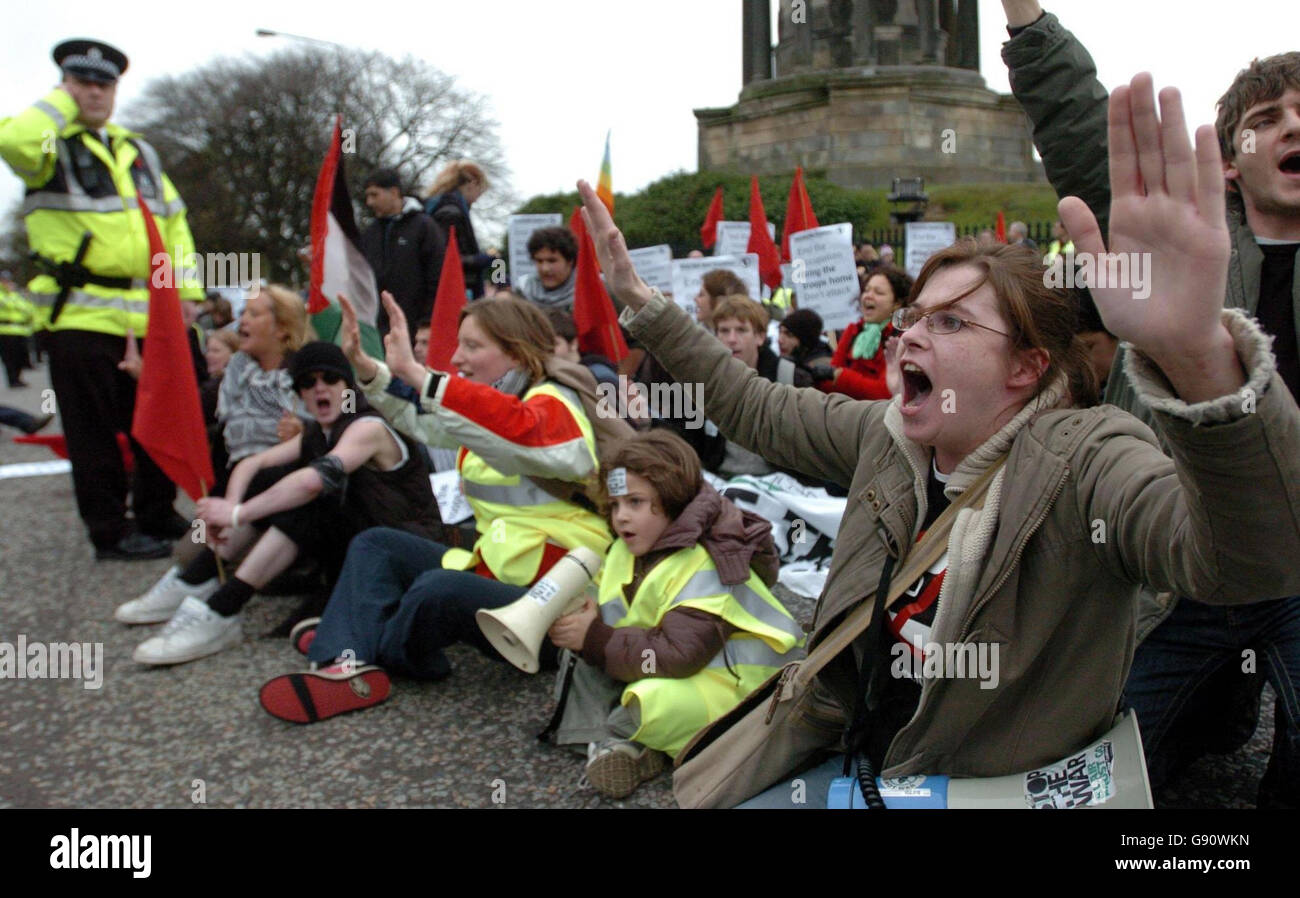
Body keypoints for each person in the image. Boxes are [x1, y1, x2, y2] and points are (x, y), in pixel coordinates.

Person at [571, 60, 1300, 805]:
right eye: (913, 316)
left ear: (1026, 368)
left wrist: (1200, 358)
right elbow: (754, 405)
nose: (909, 334)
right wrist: (641, 303)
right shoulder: (890, 436)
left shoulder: (1090, 457)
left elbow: (1250, 561)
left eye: (950, 321)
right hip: (859, 744)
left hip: (981, 786)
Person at [1001, 0, 1300, 807]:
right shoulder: (1183, 235)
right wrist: (1027, 21)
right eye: (1269, 118)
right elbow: (1081, 134)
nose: (1293, 128)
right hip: (1189, 561)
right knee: (1112, 772)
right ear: (1231, 160)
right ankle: (1221, 708)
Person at [256, 293, 615, 723]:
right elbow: (425, 418)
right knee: (377, 545)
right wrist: (369, 369)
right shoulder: (487, 403)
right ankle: (342, 659)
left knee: (437, 588)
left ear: (516, 350)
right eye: (459, 344)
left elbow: (530, 434)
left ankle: (363, 641)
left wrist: (421, 375)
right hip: (498, 571)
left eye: (473, 346)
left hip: (556, 603)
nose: (457, 357)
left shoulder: (555, 400)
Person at [0, 39, 204, 560]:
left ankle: (157, 514)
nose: (94, 91)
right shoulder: (50, 145)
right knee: (92, 435)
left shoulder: (140, 150)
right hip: (80, 315)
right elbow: (16, 141)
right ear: (65, 84)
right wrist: (60, 103)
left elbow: (175, 225)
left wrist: (187, 293)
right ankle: (110, 532)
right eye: (82, 81)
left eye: (103, 83)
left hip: (147, 315)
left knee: (156, 422)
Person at [119, 341, 439, 665]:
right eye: (308, 383)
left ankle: (222, 607)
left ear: (348, 385)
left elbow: (314, 481)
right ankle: (198, 581)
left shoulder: (366, 426)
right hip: (355, 540)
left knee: (309, 498)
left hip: (406, 544)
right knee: (270, 479)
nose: (319, 389)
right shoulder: (318, 430)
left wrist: (237, 514)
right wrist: (229, 507)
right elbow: (251, 464)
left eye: (329, 379)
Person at [548, 429, 803, 798]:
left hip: (747, 691)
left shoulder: (703, 560)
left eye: (635, 502)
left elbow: (679, 655)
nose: (621, 517)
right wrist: (584, 626)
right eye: (615, 504)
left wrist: (596, 637)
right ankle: (618, 745)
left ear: (672, 500)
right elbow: (623, 624)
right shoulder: (627, 550)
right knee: (583, 655)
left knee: (648, 701)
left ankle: (622, 741)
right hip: (677, 670)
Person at [677, 295, 811, 480]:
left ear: (760, 337)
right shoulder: (701, 381)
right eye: (724, 331)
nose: (732, 339)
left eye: (741, 330)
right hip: (719, 483)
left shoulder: (791, 378)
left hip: (782, 485)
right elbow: (687, 438)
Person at [361, 168, 445, 337]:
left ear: (394, 192)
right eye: (367, 196)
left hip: (414, 326)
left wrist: (427, 321)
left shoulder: (424, 227)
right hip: (378, 327)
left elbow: (437, 275)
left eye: (374, 195)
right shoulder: (370, 232)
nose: (369, 202)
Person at [815, 265, 913, 400]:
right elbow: (828, 382)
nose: (868, 296)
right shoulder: (853, 331)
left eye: (878, 292)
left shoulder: (901, 337)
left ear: (897, 303)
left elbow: (886, 392)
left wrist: (842, 377)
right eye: (866, 290)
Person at [424, 160, 493, 299]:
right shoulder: (451, 213)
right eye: (480, 191)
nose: (477, 199)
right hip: (455, 290)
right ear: (472, 184)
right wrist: (479, 260)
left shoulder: (439, 207)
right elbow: (444, 258)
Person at [515, 226, 578, 312]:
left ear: (570, 261)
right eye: (539, 261)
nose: (545, 269)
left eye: (552, 261)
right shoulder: (523, 290)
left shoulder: (588, 291)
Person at [0, 273, 34, 388]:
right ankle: (12, 379)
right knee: (9, 358)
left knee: (20, 356)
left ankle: (18, 377)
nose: (7, 283)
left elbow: (27, 308)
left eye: (8, 281)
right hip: (5, 330)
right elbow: (8, 305)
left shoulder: (15, 295)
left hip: (20, 330)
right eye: (4, 281)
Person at [777, 307, 833, 376]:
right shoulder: (796, 364)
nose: (780, 340)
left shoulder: (821, 370)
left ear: (805, 339)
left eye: (789, 335)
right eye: (780, 332)